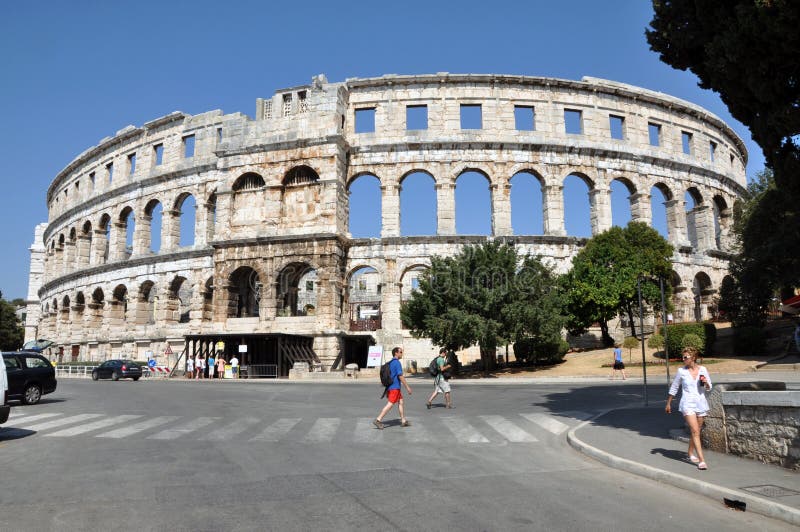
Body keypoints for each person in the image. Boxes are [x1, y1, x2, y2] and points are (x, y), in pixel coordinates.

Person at [666, 347, 712, 470]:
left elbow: (709, 387)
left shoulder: (703, 370)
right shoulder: (681, 371)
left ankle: (690, 453)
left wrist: (706, 383)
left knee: (696, 430)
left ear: (693, 358)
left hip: (700, 403)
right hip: (687, 404)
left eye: (685, 357)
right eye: (683, 357)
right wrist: (669, 403)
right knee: (695, 431)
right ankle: (702, 461)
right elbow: (674, 387)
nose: (683, 359)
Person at [373, 346, 412, 429]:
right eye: (400, 352)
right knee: (390, 404)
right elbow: (400, 376)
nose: (402, 354)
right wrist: (407, 387)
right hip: (394, 387)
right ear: (396, 353)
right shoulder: (397, 363)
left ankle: (403, 420)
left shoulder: (391, 362)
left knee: (401, 402)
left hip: (392, 386)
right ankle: (378, 419)